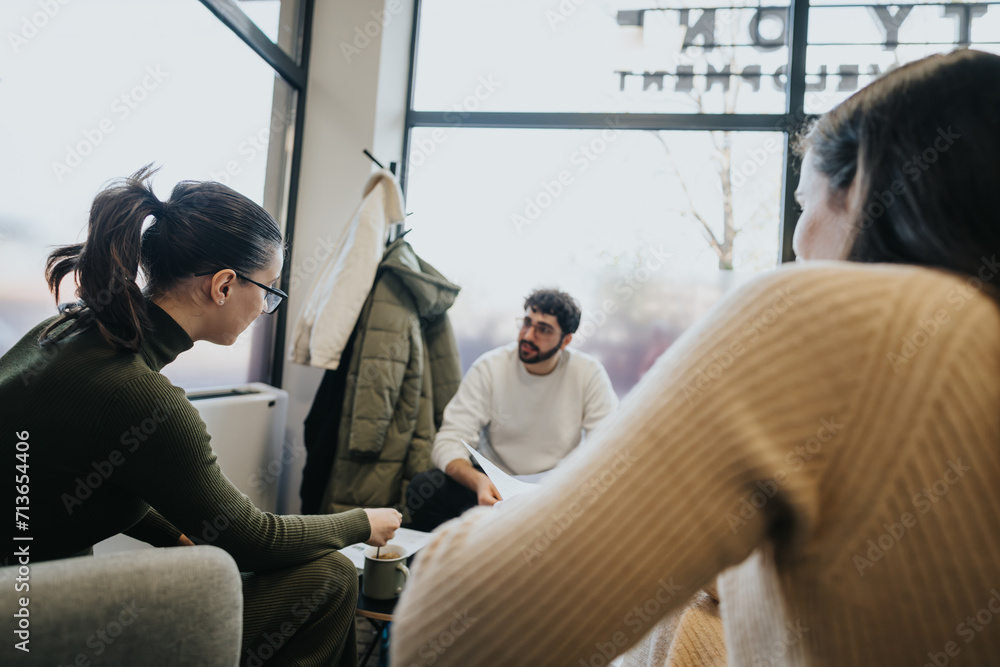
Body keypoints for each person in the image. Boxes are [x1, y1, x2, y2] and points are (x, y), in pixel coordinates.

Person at [390, 49, 1000, 666]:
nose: (795, 238)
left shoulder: (847, 319)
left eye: (801, 201)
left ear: (866, 188)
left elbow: (454, 628)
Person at [0, 166, 403, 667]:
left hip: (26, 585)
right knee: (333, 578)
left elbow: (86, 473)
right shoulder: (145, 399)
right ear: (224, 285)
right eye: (270, 290)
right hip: (24, 623)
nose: (266, 306)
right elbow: (255, 540)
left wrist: (175, 535)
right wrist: (363, 523)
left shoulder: (67, 330)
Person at [406, 289, 618, 532]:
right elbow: (449, 440)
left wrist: (571, 488)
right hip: (494, 485)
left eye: (544, 329)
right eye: (527, 323)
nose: (528, 335)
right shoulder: (490, 366)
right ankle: (466, 556)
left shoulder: (588, 373)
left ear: (566, 340)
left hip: (556, 488)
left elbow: (607, 444)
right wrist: (479, 482)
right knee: (424, 488)